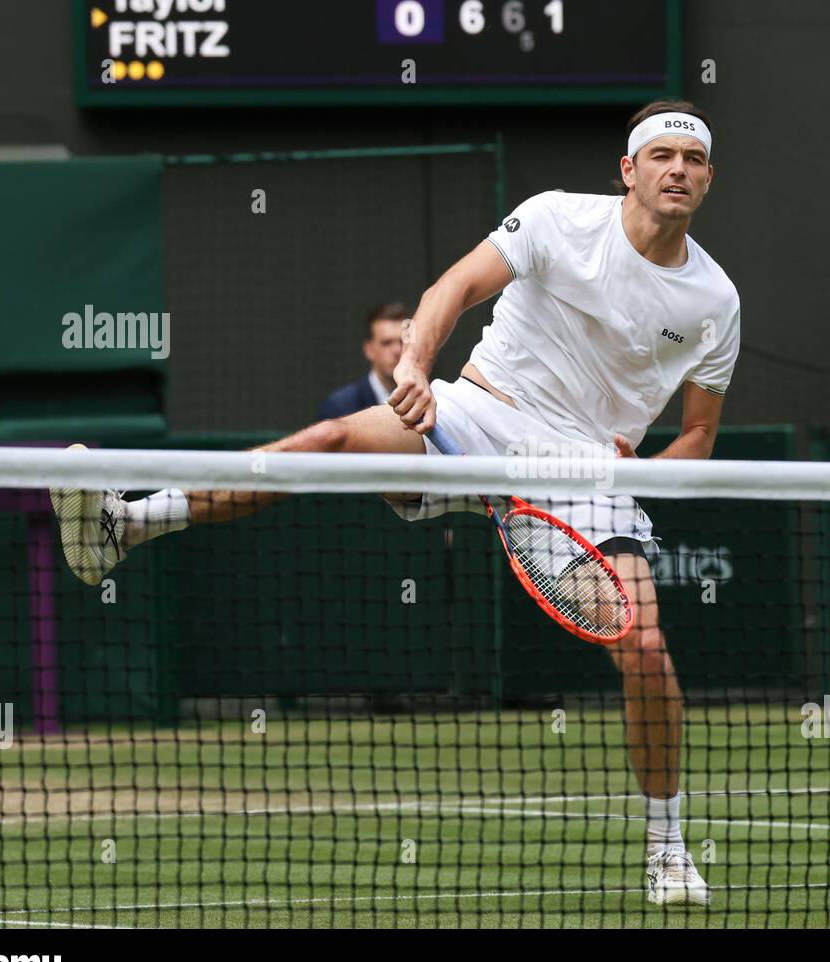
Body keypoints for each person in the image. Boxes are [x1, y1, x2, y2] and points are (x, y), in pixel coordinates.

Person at [50, 98, 740, 907]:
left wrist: (637, 473)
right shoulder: (555, 220)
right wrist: (414, 366)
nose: (677, 171)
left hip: (587, 473)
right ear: (629, 170)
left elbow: (697, 437)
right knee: (329, 444)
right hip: (480, 412)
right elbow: (454, 286)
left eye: (692, 162)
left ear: (708, 178)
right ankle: (123, 523)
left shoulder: (714, 302)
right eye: (662, 156)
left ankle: (665, 850)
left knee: (646, 652)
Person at [316, 302, 408, 420]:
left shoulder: (429, 402)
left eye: (403, 342)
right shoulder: (339, 407)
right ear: (369, 350)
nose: (397, 350)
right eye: (386, 343)